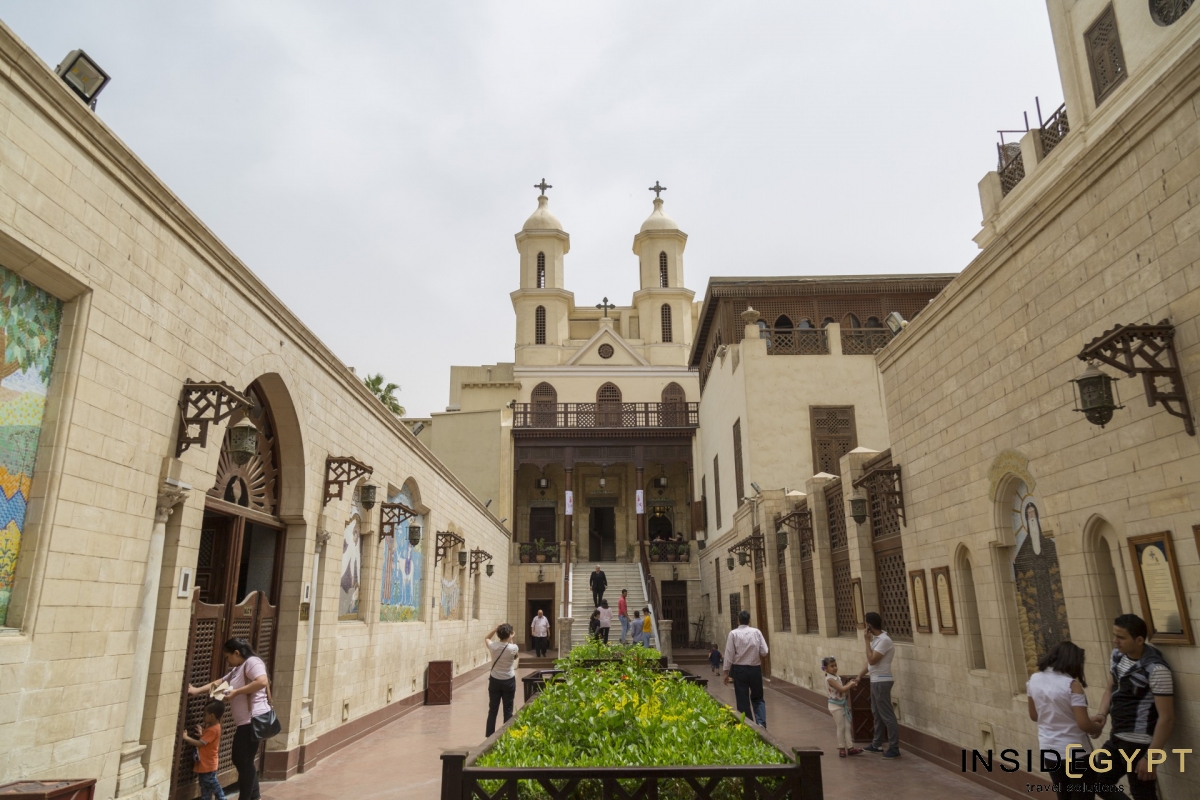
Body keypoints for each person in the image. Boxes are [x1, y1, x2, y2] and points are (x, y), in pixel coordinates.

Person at [1093, 614, 1175, 800]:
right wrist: (1102, 714)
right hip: (1117, 737)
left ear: (1139, 640)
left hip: (1138, 744)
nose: (1115, 641)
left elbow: (1167, 718)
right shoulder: (1117, 656)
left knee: (1143, 795)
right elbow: (1110, 688)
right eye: (1114, 635)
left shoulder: (1156, 669)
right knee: (1099, 783)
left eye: (1121, 637)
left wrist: (1150, 758)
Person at [188, 638, 271, 800]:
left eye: (227, 657)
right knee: (244, 760)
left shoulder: (253, 662)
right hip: (246, 722)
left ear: (236, 653)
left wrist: (236, 692)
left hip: (253, 720)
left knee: (241, 760)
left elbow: (262, 681)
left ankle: (247, 797)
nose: (227, 661)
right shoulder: (237, 669)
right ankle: (254, 796)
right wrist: (197, 690)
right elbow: (221, 683)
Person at [1026, 641, 1103, 799]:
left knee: (1064, 795)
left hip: (1049, 750)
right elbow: (1083, 724)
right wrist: (1096, 726)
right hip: (1077, 752)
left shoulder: (1034, 679)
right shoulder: (1072, 685)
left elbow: (1034, 716)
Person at [856, 612, 900, 759]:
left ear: (869, 625)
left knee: (887, 715)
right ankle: (877, 744)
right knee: (877, 713)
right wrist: (859, 676)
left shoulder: (884, 640)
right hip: (875, 680)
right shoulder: (877, 640)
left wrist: (866, 641)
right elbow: (869, 662)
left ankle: (894, 747)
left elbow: (872, 660)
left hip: (882, 680)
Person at [722, 609, 769, 728]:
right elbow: (764, 652)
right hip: (755, 669)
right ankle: (761, 723)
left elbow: (729, 654)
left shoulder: (733, 634)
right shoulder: (756, 632)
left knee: (743, 700)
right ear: (749, 621)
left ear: (738, 621)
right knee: (758, 697)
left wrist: (726, 672)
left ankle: (748, 725)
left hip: (740, 670)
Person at [181, 699, 226, 800]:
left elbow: (200, 744)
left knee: (213, 784)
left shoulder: (213, 730)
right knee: (205, 788)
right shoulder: (213, 728)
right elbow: (207, 742)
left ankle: (222, 798)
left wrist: (186, 738)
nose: (203, 716)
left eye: (205, 714)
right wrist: (202, 734)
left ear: (212, 716)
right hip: (205, 765)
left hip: (208, 765)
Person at [822, 657, 862, 758]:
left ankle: (850, 748)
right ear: (825, 668)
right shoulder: (829, 678)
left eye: (835, 665)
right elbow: (842, 689)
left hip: (842, 705)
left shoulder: (836, 677)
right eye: (832, 666)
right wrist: (850, 684)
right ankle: (841, 748)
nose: (835, 668)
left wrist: (850, 684)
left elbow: (842, 690)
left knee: (847, 727)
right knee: (841, 727)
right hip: (835, 706)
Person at [484, 624, 519, 737]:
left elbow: (487, 638)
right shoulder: (513, 647)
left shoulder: (493, 646)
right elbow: (515, 656)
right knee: (508, 710)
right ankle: (506, 736)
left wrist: (495, 629)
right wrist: (511, 639)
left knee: (493, 710)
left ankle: (489, 736)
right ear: (509, 634)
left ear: (499, 634)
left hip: (495, 680)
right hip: (508, 680)